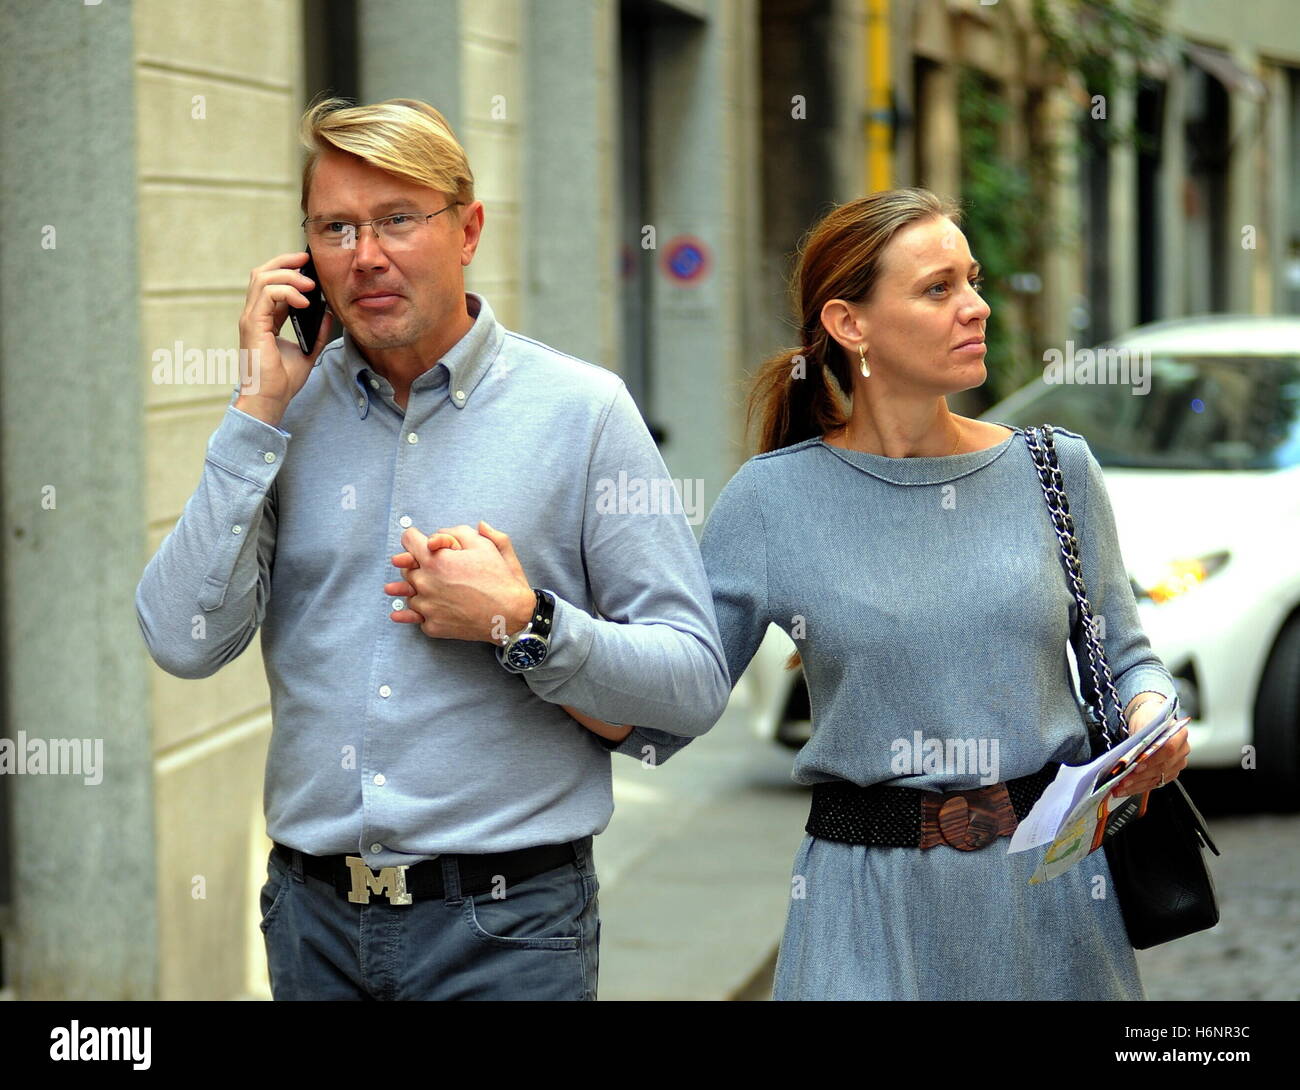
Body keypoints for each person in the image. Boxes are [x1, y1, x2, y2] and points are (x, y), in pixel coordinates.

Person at [134, 96, 730, 1001]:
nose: (366, 255)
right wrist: (254, 413)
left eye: (398, 220)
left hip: (507, 929)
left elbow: (690, 683)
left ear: (469, 229)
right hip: (312, 922)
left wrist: (525, 623)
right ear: (304, 254)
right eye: (336, 227)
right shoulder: (282, 417)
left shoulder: (585, 413)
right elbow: (181, 639)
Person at [578, 188, 1191, 1000]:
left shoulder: (1054, 469)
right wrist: (536, 636)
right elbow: (669, 707)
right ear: (849, 323)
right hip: (863, 915)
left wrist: (1153, 720)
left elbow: (1129, 657)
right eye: (938, 289)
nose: (975, 307)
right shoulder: (772, 501)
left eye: (971, 281)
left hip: (1051, 905)